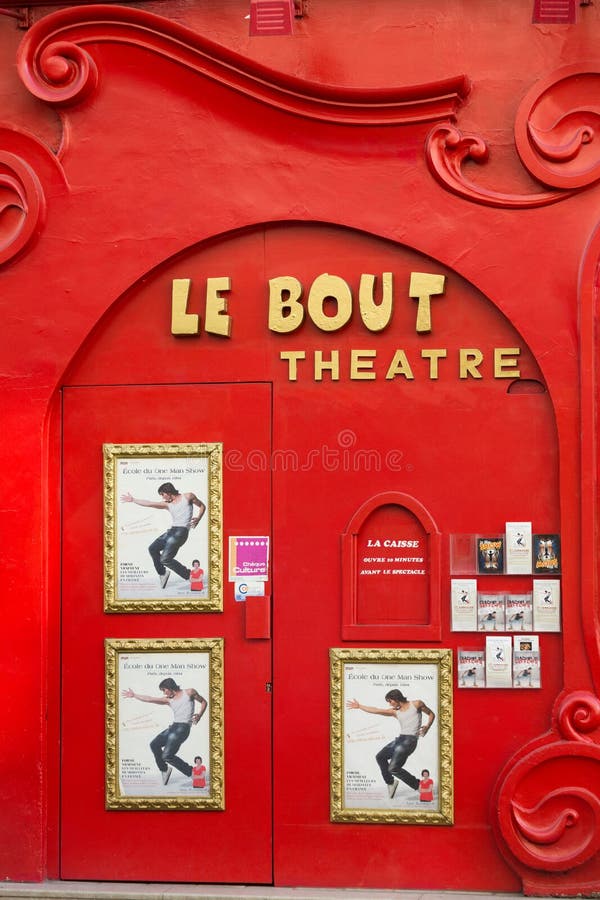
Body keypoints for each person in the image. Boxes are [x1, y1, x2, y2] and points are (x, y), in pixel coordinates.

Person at [346, 689, 435, 798]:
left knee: (393, 768)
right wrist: (359, 706)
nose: (389, 704)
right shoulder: (395, 712)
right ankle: (391, 783)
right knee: (380, 757)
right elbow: (376, 710)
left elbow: (431, 714)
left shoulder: (416, 704)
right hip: (400, 739)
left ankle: (419, 786)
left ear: (396, 698)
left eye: (390, 701)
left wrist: (427, 726)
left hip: (409, 741)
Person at [121, 677, 207, 785]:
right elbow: (150, 699)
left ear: (170, 687)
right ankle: (164, 770)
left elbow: (204, 702)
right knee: (154, 744)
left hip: (183, 728)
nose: (164, 693)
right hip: (173, 727)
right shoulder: (168, 700)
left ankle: (193, 774)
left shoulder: (189, 692)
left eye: (164, 690)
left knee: (167, 756)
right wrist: (134, 695)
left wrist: (199, 715)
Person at [121, 482, 206, 588]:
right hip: (171, 531)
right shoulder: (167, 504)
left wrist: (198, 518)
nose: (162, 497)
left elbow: (202, 506)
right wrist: (133, 500)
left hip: (181, 532)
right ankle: (163, 573)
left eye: (162, 494)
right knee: (152, 548)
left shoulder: (188, 496)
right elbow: (149, 503)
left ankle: (190, 575)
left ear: (169, 492)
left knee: (165, 559)